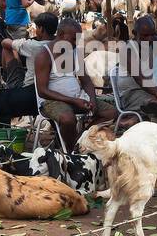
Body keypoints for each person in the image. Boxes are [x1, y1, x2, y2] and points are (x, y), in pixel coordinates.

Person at [33, 19, 115, 149]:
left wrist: (92, 99)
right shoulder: (44, 55)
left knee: (110, 113)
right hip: (50, 102)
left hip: (78, 98)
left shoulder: (75, 51)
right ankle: (71, 150)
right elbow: (42, 90)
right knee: (68, 119)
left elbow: (86, 80)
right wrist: (73, 100)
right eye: (72, 39)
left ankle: (78, 140)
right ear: (60, 35)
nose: (75, 43)